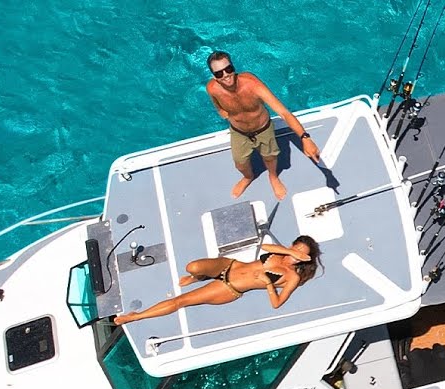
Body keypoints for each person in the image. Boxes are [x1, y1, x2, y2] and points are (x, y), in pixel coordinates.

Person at [114, 236, 322, 325]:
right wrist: (288, 251)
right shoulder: (279, 253)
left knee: (181, 301)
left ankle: (135, 316)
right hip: (230, 265)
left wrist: (268, 284)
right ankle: (198, 277)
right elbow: (266, 247)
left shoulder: (292, 276)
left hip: (228, 288)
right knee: (192, 267)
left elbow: (276, 304)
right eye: (295, 249)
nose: (294, 256)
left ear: (306, 259)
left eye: (300, 255)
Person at [205, 50, 323, 200]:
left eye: (228, 69)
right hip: (239, 132)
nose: (226, 75)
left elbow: (284, 113)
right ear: (214, 77)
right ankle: (248, 177)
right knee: (240, 164)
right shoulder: (212, 88)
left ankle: (273, 177)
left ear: (233, 67)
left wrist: (305, 137)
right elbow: (217, 103)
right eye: (219, 73)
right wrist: (222, 111)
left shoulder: (253, 85)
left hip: (263, 129)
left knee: (270, 158)